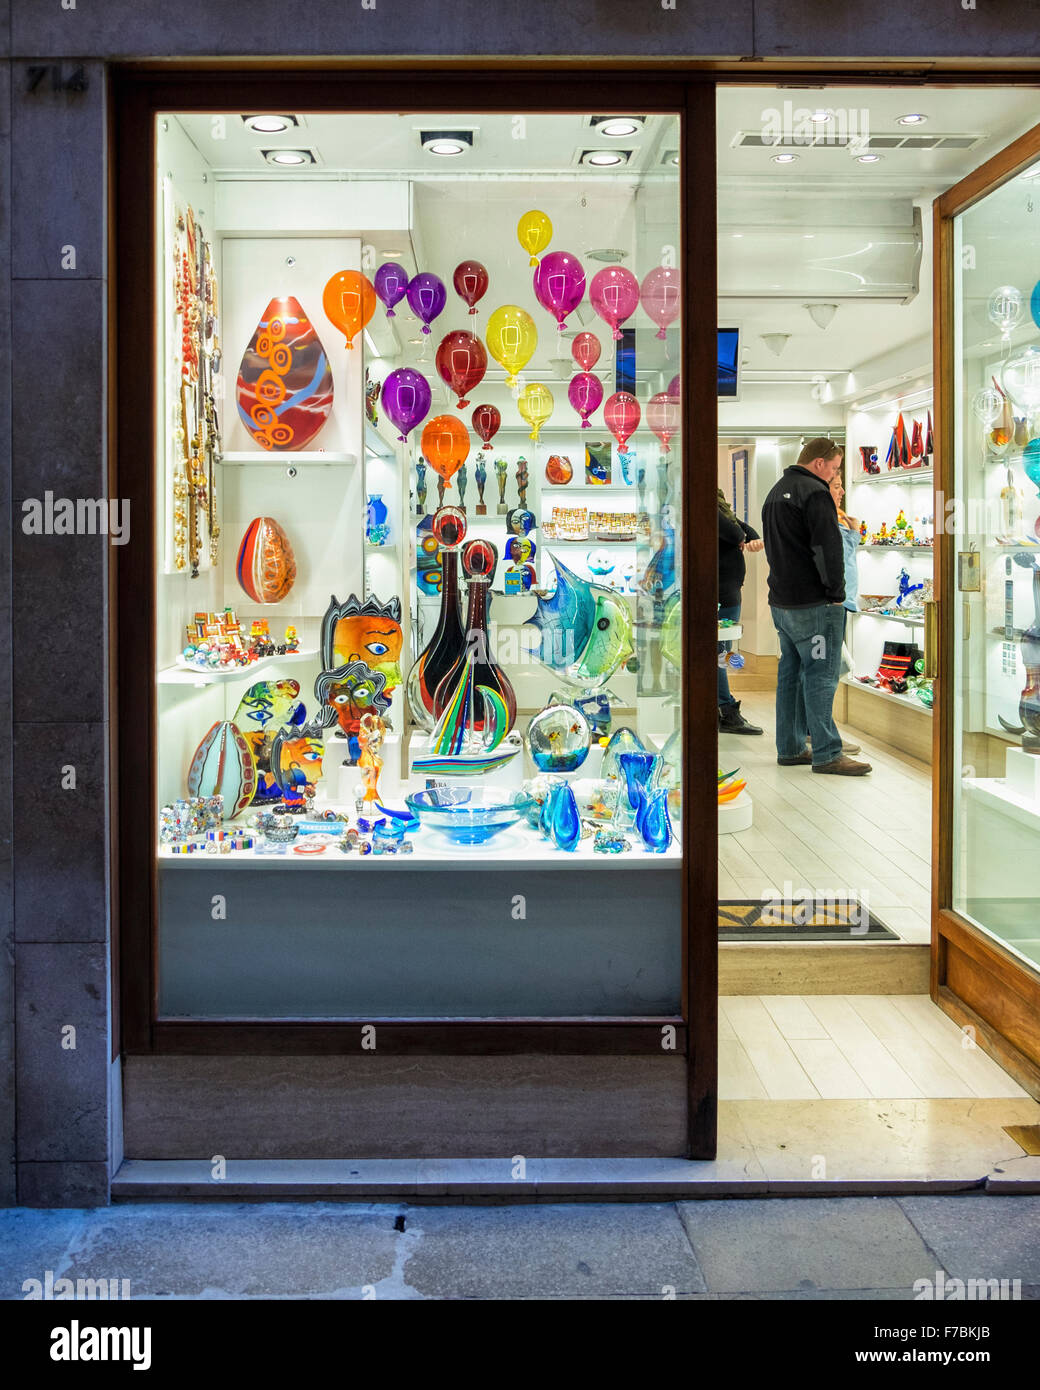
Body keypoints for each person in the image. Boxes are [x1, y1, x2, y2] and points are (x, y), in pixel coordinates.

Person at [761, 438, 872, 776]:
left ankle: (791, 747)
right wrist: (836, 592)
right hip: (816, 606)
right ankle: (826, 752)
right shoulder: (816, 492)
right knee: (822, 677)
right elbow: (827, 548)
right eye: (835, 468)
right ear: (820, 463)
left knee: (790, 675)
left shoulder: (776, 492)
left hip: (783, 605)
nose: (835, 475)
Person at [717, 488, 764, 734]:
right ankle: (725, 710)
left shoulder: (718, 508)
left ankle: (721, 708)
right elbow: (736, 532)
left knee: (720, 654)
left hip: (727, 593)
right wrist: (742, 536)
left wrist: (747, 535)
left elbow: (746, 530)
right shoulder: (709, 508)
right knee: (719, 654)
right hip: (720, 596)